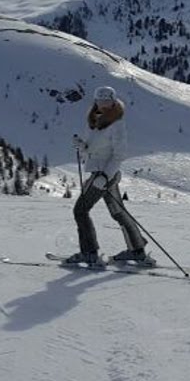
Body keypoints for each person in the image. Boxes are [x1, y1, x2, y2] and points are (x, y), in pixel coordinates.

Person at [63, 85, 153, 267]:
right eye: (100, 101)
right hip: (101, 174)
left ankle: (89, 253)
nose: (103, 105)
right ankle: (137, 250)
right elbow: (95, 149)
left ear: (113, 102)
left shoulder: (116, 125)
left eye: (107, 101)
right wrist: (81, 145)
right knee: (118, 212)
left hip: (103, 175)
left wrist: (104, 176)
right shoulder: (94, 121)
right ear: (95, 101)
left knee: (80, 210)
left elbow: (118, 154)